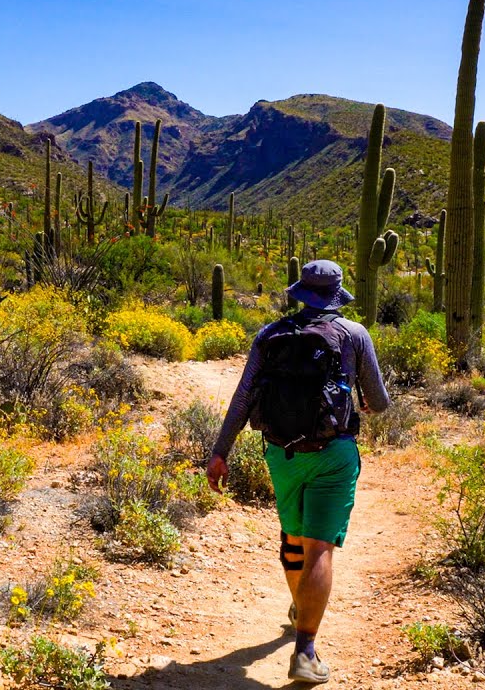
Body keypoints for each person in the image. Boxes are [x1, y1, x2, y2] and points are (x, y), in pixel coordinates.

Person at [207, 259, 390, 684]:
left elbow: (242, 397)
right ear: (337, 295)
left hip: (282, 454)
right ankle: (305, 650)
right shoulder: (354, 335)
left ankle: (299, 605)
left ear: (300, 292)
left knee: (293, 538)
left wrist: (220, 453)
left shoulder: (269, 335)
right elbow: (379, 402)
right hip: (334, 453)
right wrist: (363, 398)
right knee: (320, 547)